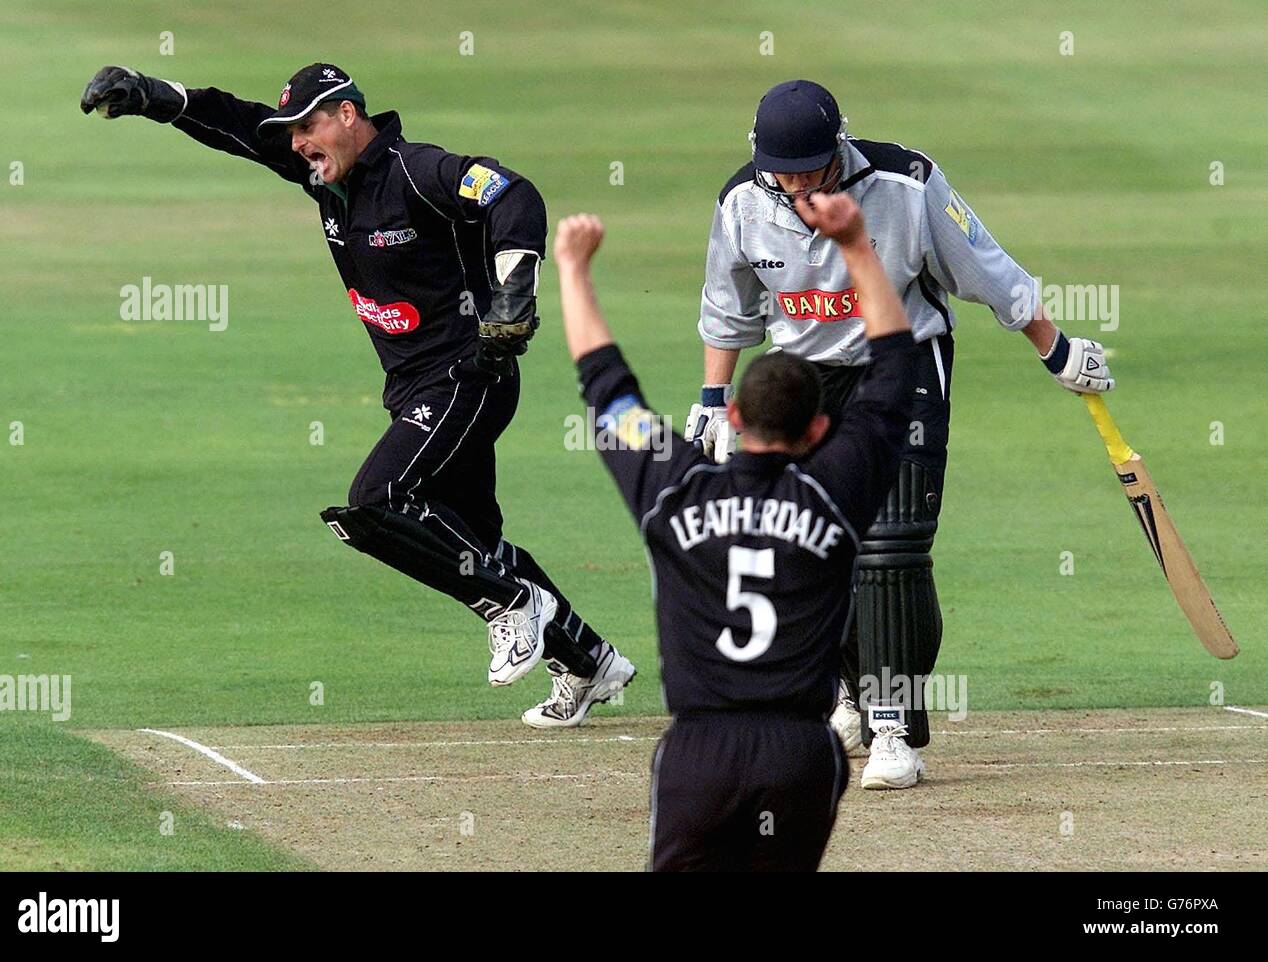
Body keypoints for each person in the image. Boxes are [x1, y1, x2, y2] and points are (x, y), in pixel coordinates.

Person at [79, 63, 635, 725]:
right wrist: (150, 95)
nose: (297, 144)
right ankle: (589, 662)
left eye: (308, 126)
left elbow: (513, 195)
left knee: (379, 500)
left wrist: (514, 294)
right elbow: (236, 123)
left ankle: (515, 605)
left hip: (470, 376)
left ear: (349, 115)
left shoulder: (415, 170)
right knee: (472, 542)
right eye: (293, 134)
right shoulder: (323, 177)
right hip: (412, 389)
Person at [686, 80, 1116, 788]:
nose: (794, 183)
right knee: (812, 542)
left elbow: (988, 270)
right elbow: (727, 307)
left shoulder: (906, 182)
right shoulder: (741, 200)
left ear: (839, 148)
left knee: (892, 547)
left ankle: (893, 729)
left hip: (903, 361)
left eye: (809, 168)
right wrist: (711, 398)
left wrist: (1056, 348)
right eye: (780, 169)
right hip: (801, 375)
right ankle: (851, 692)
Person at [554, 191, 914, 871]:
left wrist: (573, 269)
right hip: (802, 753)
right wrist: (858, 244)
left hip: (701, 755)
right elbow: (896, 371)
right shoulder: (837, 492)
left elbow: (610, 392)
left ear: (737, 416)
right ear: (817, 429)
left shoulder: (674, 489)